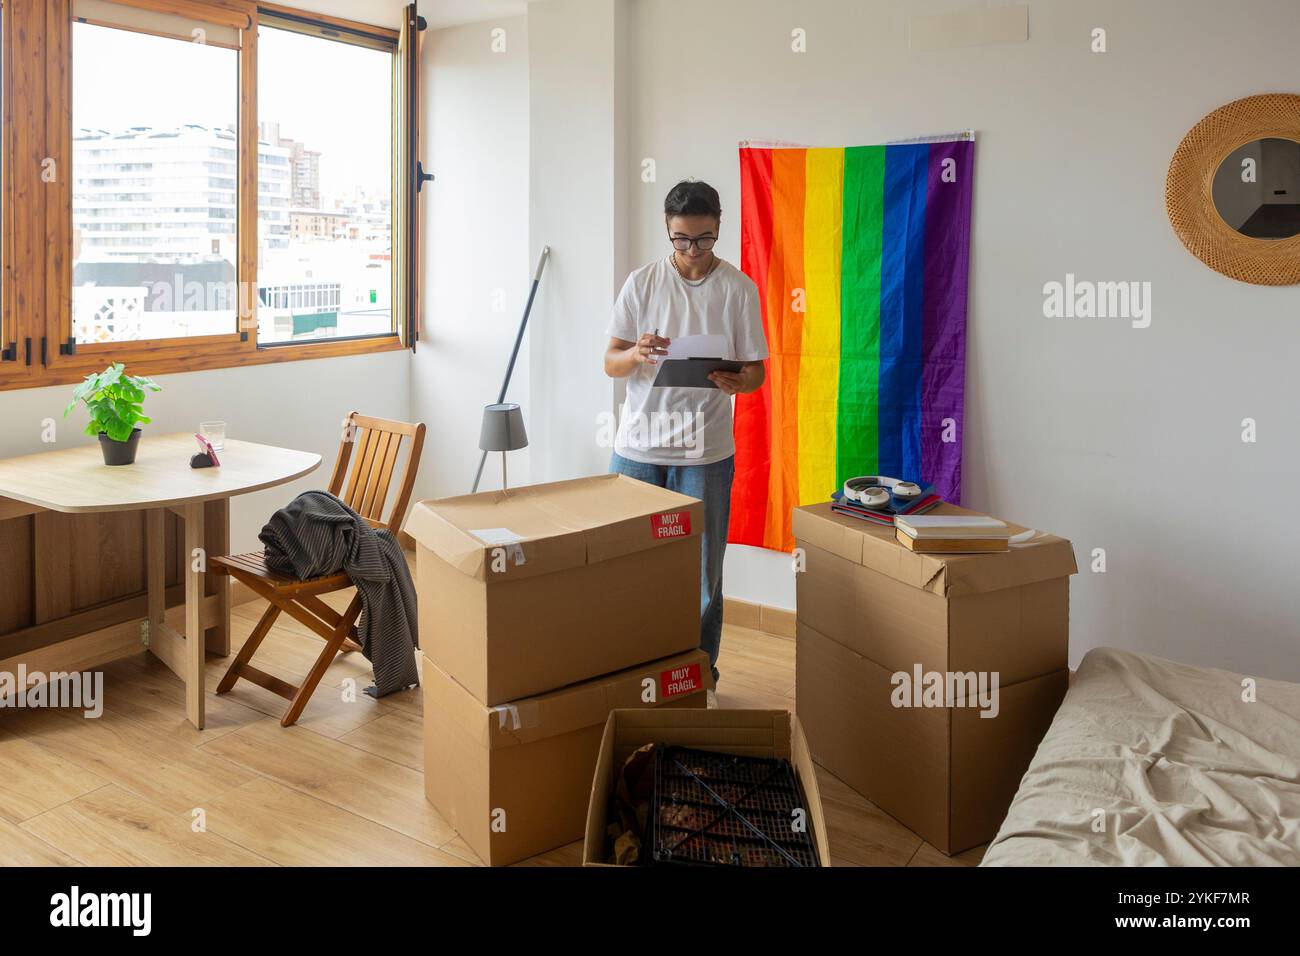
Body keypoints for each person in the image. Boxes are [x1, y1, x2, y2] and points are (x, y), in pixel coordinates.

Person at [603, 179, 768, 695]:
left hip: (706, 451)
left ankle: (698, 676)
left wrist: (742, 380)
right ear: (667, 232)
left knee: (703, 574)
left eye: (703, 239)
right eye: (681, 240)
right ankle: (629, 670)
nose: (693, 252)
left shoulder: (738, 289)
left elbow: (758, 370)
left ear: (718, 227)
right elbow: (610, 362)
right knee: (626, 566)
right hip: (638, 447)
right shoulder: (643, 282)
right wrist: (637, 354)